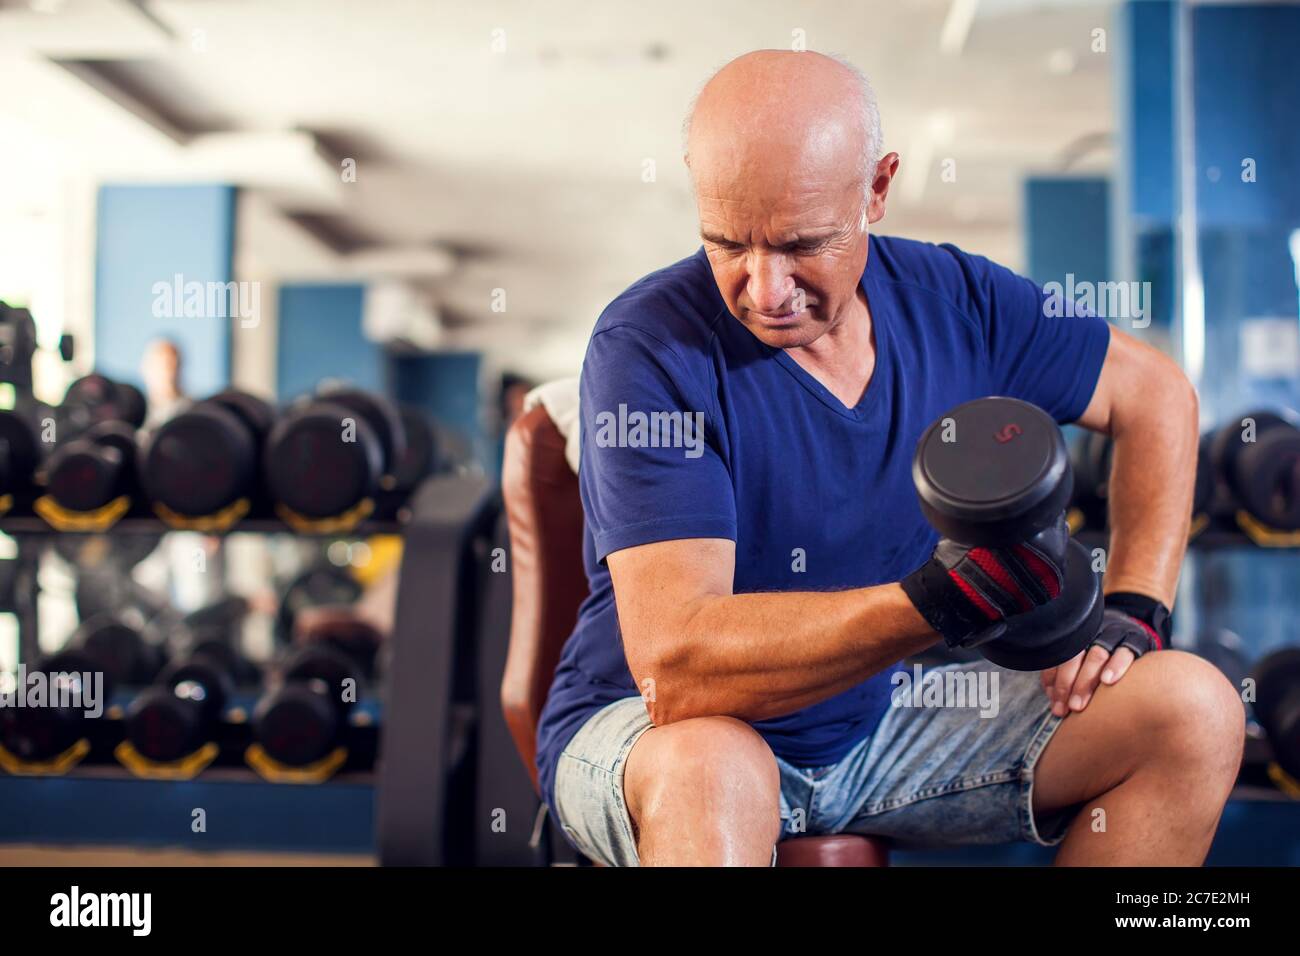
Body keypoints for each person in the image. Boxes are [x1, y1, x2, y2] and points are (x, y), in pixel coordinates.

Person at [535, 50, 1243, 866]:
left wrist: (1136, 607)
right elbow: (679, 671)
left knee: (1193, 707)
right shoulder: (648, 347)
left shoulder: (960, 301)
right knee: (715, 765)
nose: (765, 288)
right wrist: (939, 603)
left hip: (874, 727)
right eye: (727, 243)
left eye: (802, 244)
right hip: (650, 735)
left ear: (876, 188)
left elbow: (1155, 394)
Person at [140, 337, 189, 429]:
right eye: (165, 366)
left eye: (176, 366)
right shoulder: (135, 412)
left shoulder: (192, 411)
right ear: (145, 369)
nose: (171, 374)